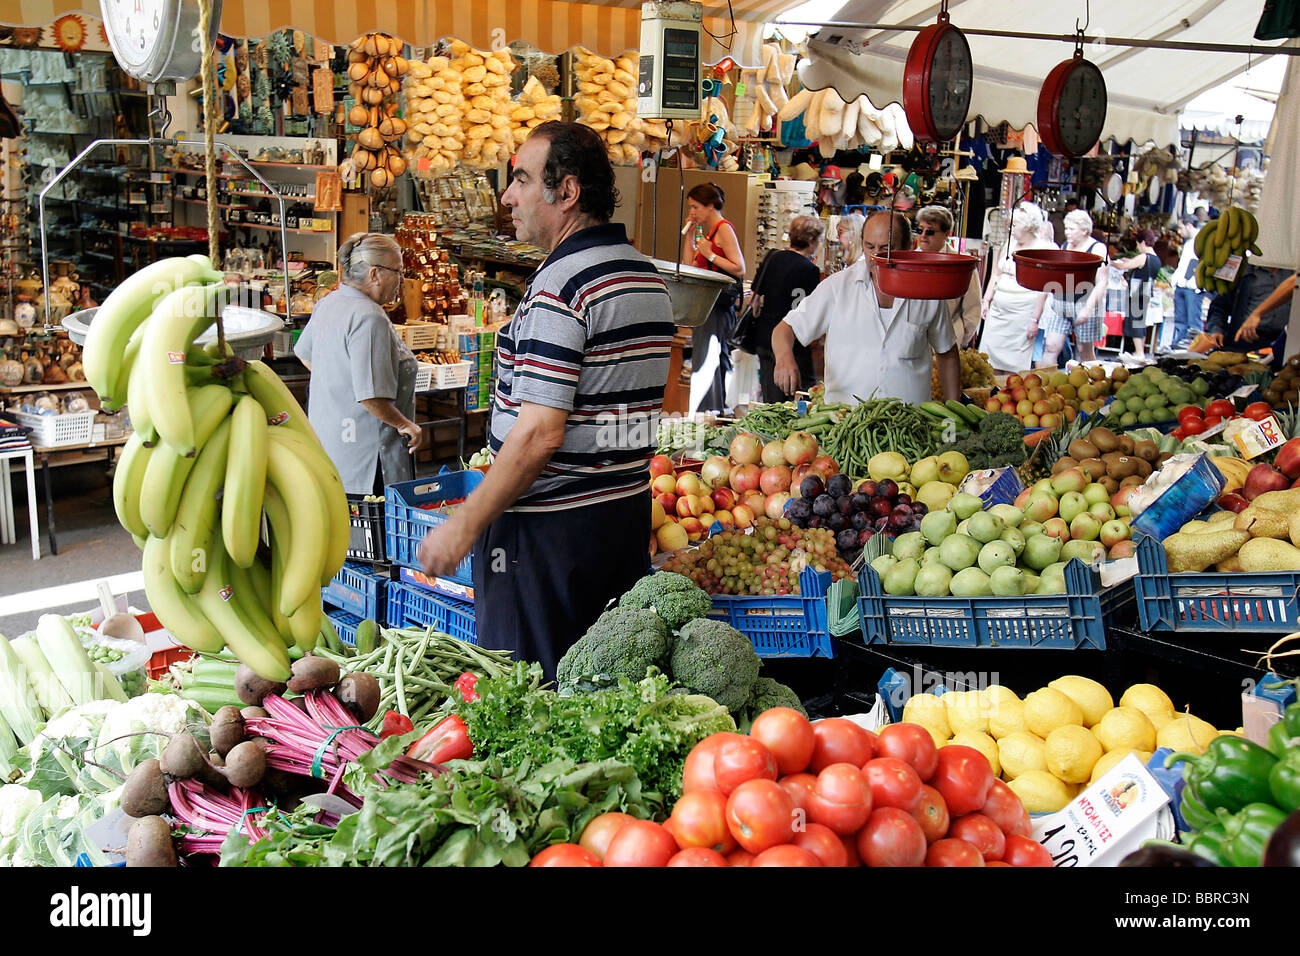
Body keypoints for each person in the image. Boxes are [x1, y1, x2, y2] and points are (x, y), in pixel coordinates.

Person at [416, 121, 674, 681]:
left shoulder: (561, 285)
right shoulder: (644, 276)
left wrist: (463, 527)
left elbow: (538, 434)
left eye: (522, 180)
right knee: (603, 696)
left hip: (547, 541)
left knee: (530, 704)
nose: (507, 197)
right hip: (621, 521)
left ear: (568, 192)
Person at [770, 211, 961, 405]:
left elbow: (947, 353)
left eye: (886, 248)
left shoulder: (926, 293)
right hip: (846, 424)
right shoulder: (838, 287)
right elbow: (785, 329)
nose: (876, 256)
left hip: (909, 424)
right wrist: (784, 357)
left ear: (909, 247)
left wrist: (954, 414)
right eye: (870, 247)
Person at [293, 232, 425, 496]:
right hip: (367, 458)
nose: (401, 280)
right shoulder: (369, 317)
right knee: (372, 533)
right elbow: (371, 397)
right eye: (397, 271)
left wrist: (340, 384)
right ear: (375, 274)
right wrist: (405, 425)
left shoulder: (330, 301)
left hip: (330, 445)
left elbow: (306, 354)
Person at [682, 182, 746, 412]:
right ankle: (711, 413)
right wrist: (690, 236)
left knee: (708, 362)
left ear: (710, 206)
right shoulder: (708, 232)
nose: (692, 212)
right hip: (706, 306)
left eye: (695, 207)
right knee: (709, 360)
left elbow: (739, 267)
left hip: (718, 307)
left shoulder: (723, 229)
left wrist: (710, 254)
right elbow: (690, 266)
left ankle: (706, 414)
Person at [753, 214, 823, 402]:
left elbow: (756, 294)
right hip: (793, 342)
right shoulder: (809, 270)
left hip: (765, 337)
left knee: (771, 396)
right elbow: (809, 309)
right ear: (811, 240)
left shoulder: (772, 258)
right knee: (799, 395)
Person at [978, 203, 1053, 375]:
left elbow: (1043, 289)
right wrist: (986, 300)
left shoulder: (1042, 248)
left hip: (1022, 313)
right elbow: (996, 273)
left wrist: (1035, 319)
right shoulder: (1009, 243)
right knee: (990, 360)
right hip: (998, 311)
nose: (1010, 228)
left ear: (1027, 226)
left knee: (1015, 366)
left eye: (1014, 225)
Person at [1041, 210, 1109, 367]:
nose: (1067, 233)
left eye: (1072, 229)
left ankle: (1092, 384)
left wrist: (1088, 308)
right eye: (1066, 228)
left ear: (1084, 230)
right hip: (1061, 301)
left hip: (1085, 302)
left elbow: (1102, 282)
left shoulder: (1097, 248)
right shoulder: (1065, 246)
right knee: (1051, 346)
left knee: (1084, 350)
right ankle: (1044, 386)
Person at [1204, 265, 1297, 368]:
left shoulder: (1292, 272)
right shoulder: (1243, 272)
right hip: (1245, 341)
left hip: (1281, 340)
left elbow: (1292, 283)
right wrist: (1216, 330)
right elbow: (1220, 306)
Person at [916, 204, 982, 348]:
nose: (923, 236)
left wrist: (961, 338)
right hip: (915, 341)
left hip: (948, 341)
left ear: (946, 233)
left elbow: (973, 308)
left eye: (930, 232)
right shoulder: (909, 261)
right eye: (919, 230)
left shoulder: (963, 264)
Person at [1111, 229, 1162, 360]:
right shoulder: (1156, 259)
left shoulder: (1144, 257)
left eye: (1138, 244)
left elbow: (1124, 267)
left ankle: (1139, 352)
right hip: (1145, 291)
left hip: (1137, 291)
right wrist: (1126, 259)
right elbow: (1136, 264)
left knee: (1135, 321)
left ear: (1143, 242)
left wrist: (1110, 262)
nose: (1137, 247)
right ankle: (1140, 351)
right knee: (1140, 321)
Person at [1170, 217, 1208, 350]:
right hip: (1181, 286)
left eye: (1181, 227)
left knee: (1193, 323)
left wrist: (1187, 278)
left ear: (1189, 225)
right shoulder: (1188, 243)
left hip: (1193, 287)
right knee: (1180, 321)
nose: (1179, 231)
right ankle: (1178, 348)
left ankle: (1194, 349)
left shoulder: (1203, 240)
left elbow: (1196, 262)